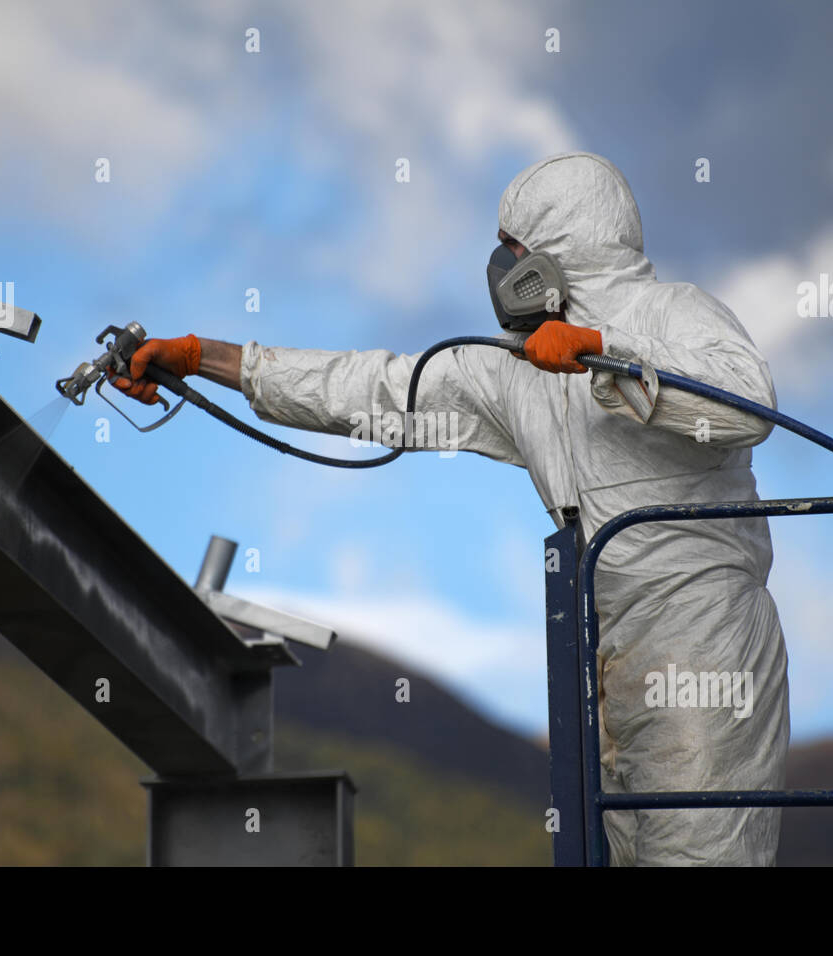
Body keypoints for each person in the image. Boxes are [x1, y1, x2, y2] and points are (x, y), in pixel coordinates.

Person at [110, 152, 790, 866]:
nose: (502, 267)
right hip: (608, 654)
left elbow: (746, 403)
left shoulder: (674, 312)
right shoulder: (517, 372)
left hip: (707, 640)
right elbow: (373, 388)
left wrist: (602, 351)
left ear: (558, 252)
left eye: (515, 249)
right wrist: (209, 359)